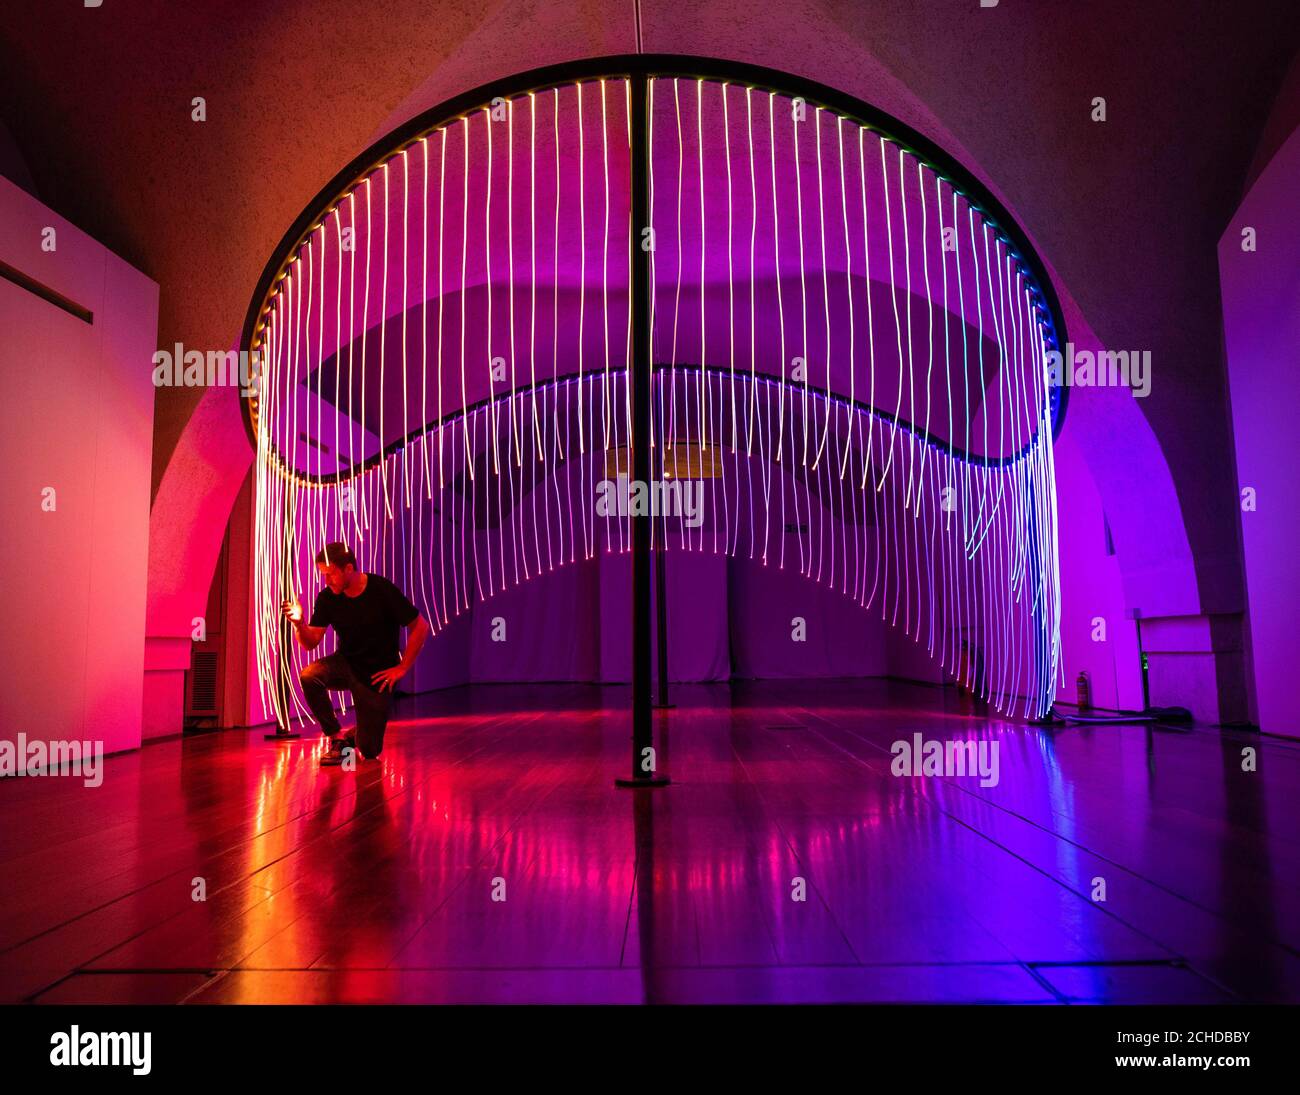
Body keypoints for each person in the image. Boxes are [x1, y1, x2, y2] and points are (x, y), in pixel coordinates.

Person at [281, 542, 429, 767]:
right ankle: (337, 739)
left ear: (348, 569)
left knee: (369, 750)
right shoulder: (328, 597)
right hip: (346, 663)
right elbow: (310, 643)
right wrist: (299, 624)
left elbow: (420, 627)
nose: (327, 581)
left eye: (331, 574)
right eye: (323, 575)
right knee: (310, 676)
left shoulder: (381, 590)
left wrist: (402, 667)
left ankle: (357, 734)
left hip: (377, 674)